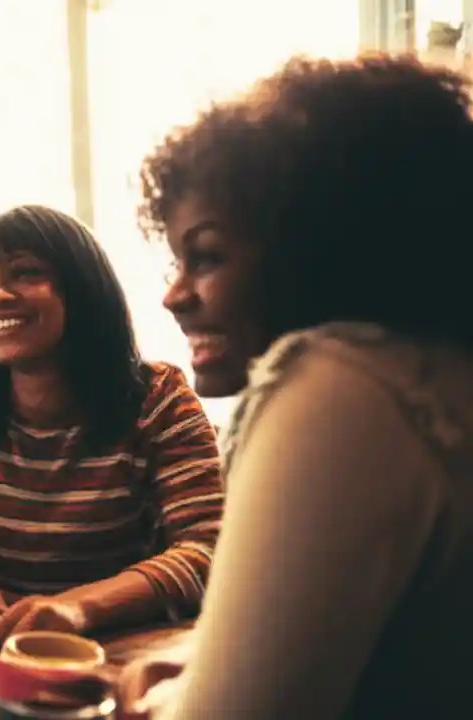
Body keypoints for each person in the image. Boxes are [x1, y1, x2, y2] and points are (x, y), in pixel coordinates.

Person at [118, 55, 473, 718]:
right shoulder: (440, 376)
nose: (172, 296)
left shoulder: (344, 389)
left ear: (311, 240)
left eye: (209, 256)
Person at [0, 205, 224, 647]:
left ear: (83, 290)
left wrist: (77, 608)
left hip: (115, 648)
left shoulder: (160, 398)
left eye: (24, 273)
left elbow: (207, 552)